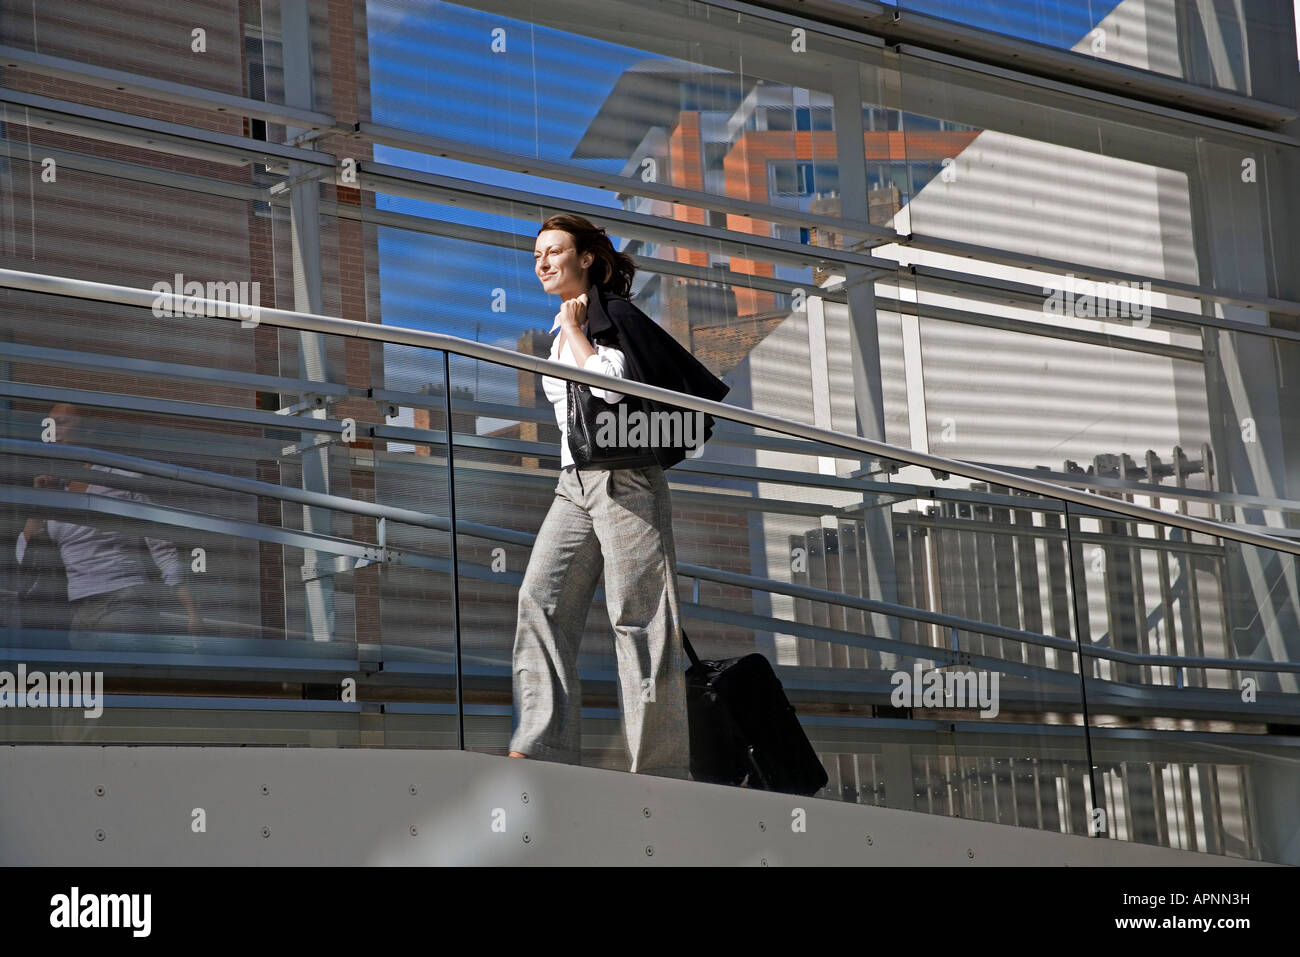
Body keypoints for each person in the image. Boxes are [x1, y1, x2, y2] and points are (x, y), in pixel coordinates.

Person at [507, 213, 724, 780]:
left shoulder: (608, 316)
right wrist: (568, 329)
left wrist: (578, 328)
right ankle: (542, 746)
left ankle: (658, 768)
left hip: (624, 480)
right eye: (537, 256)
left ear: (586, 259)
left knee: (640, 618)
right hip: (573, 483)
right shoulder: (562, 330)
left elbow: (610, 388)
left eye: (555, 251)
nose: (544, 262)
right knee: (540, 600)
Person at [16, 403, 200, 643]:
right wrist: (41, 500)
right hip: (80, 612)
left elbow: (162, 546)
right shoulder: (57, 488)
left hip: (123, 602)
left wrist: (193, 613)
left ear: (89, 429)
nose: (53, 432)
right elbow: (25, 556)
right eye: (48, 425)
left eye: (61, 424)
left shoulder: (121, 477)